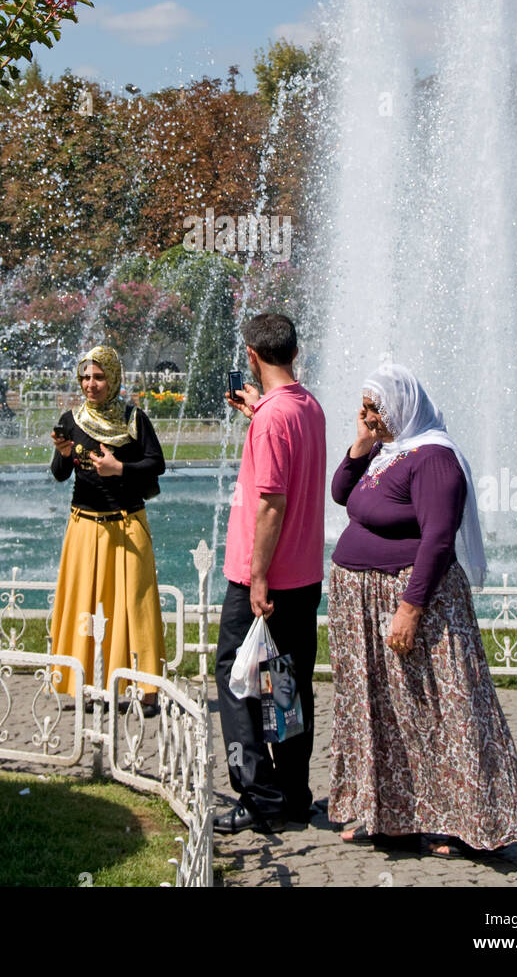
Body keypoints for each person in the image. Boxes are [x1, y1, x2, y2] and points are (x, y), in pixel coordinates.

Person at [328, 361, 517, 856]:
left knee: (442, 710)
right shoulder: (387, 452)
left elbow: (439, 540)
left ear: (402, 407)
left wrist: (410, 609)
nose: (368, 417)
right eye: (365, 407)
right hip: (362, 601)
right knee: (383, 710)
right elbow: (340, 494)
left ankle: (474, 825)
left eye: (375, 408)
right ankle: (392, 816)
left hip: (412, 601)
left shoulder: (434, 458)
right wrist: (360, 442)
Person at [214, 313, 326, 835]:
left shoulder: (271, 419)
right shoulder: (310, 408)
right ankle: (294, 796)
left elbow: (271, 505)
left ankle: (257, 796)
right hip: (303, 576)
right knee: (287, 685)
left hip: (261, 581)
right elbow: (284, 437)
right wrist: (256, 411)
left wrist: (256, 579)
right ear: (294, 353)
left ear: (252, 357)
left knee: (238, 684)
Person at [50, 345, 166, 710]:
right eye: (85, 376)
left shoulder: (133, 418)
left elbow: (156, 464)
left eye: (98, 377)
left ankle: (147, 690)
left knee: (137, 603)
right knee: (82, 602)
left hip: (127, 525)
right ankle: (79, 683)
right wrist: (65, 454)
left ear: (113, 378)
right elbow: (59, 474)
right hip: (84, 525)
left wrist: (120, 470)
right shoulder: (72, 419)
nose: (90, 384)